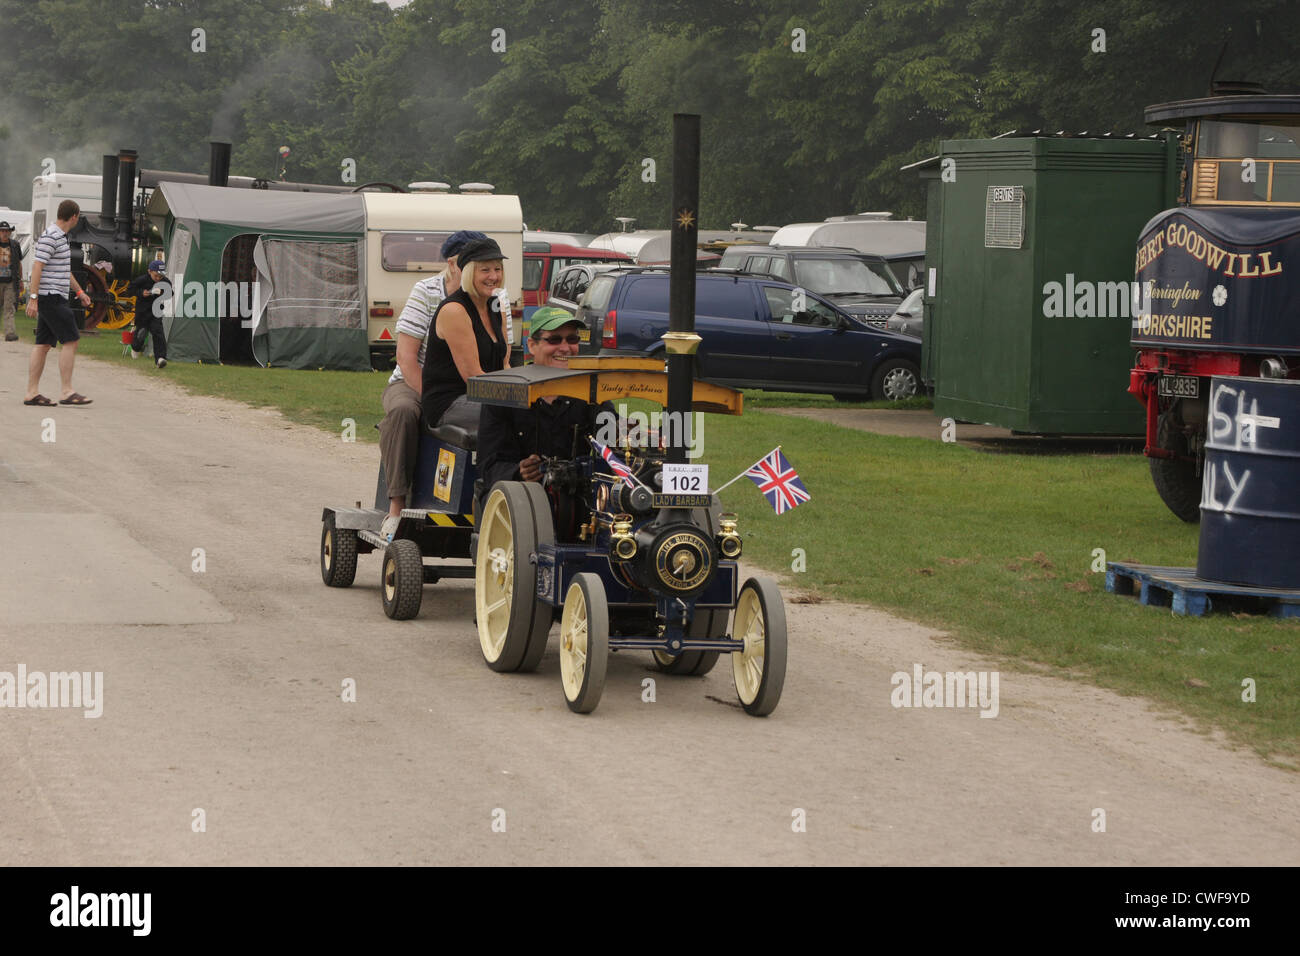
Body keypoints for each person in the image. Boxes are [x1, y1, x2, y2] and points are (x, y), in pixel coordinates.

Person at [377, 229, 485, 540]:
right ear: (452, 264)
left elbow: (501, 356)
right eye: (475, 265)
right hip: (415, 381)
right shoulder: (426, 291)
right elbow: (406, 357)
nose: (486, 274)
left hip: (468, 386)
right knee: (403, 412)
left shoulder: (495, 298)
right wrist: (431, 399)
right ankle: (396, 506)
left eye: (488, 266)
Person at [478, 307, 595, 488]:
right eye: (555, 340)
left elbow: (614, 442)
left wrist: (631, 431)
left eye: (572, 339)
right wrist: (519, 472)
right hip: (516, 496)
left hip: (577, 496)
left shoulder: (591, 392)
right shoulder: (504, 392)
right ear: (532, 345)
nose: (565, 348)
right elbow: (488, 465)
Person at [420, 236, 511, 433]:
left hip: (488, 397)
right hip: (451, 401)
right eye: (485, 270)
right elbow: (473, 378)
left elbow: (504, 364)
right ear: (469, 273)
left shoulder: (497, 305)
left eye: (498, 269)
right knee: (517, 415)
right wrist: (516, 396)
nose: (493, 276)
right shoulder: (454, 310)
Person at [23, 200, 94, 407]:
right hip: (51, 297)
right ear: (74, 216)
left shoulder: (61, 237)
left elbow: (64, 270)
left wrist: (79, 292)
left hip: (54, 296)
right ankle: (67, 391)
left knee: (43, 344)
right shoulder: (51, 236)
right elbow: (37, 267)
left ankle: (32, 393)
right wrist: (33, 298)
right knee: (71, 339)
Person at [127, 260, 169, 367]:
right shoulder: (141, 280)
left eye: (161, 276)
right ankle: (135, 347)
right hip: (142, 311)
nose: (158, 278)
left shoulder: (165, 281)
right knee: (141, 333)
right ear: (149, 271)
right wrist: (141, 293)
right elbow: (130, 289)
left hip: (156, 311)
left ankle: (160, 358)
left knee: (158, 332)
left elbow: (170, 292)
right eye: (156, 275)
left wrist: (162, 292)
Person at [0, 220, 23, 342]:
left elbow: (19, 263)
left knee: (9, 308)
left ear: (9, 232)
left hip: (10, 281)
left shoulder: (15, 245)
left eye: (6, 231)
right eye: (2, 231)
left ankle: (9, 333)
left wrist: (20, 280)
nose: (4, 233)